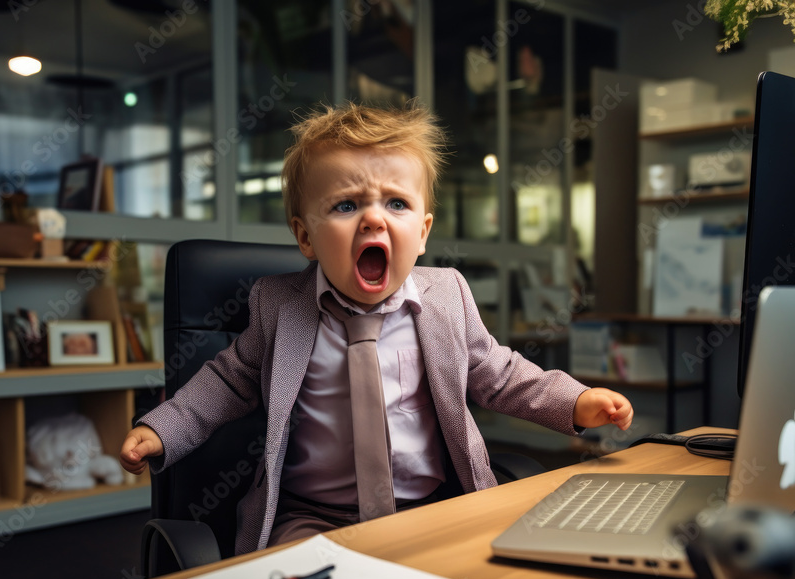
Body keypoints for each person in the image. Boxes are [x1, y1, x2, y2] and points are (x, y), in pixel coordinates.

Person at [121, 101, 633, 555]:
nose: (373, 220)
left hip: (431, 505)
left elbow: (499, 373)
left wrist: (574, 402)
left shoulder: (446, 296)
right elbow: (226, 381)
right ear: (305, 237)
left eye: (396, 203)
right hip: (312, 516)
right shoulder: (279, 305)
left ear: (424, 231)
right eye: (346, 205)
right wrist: (160, 428)